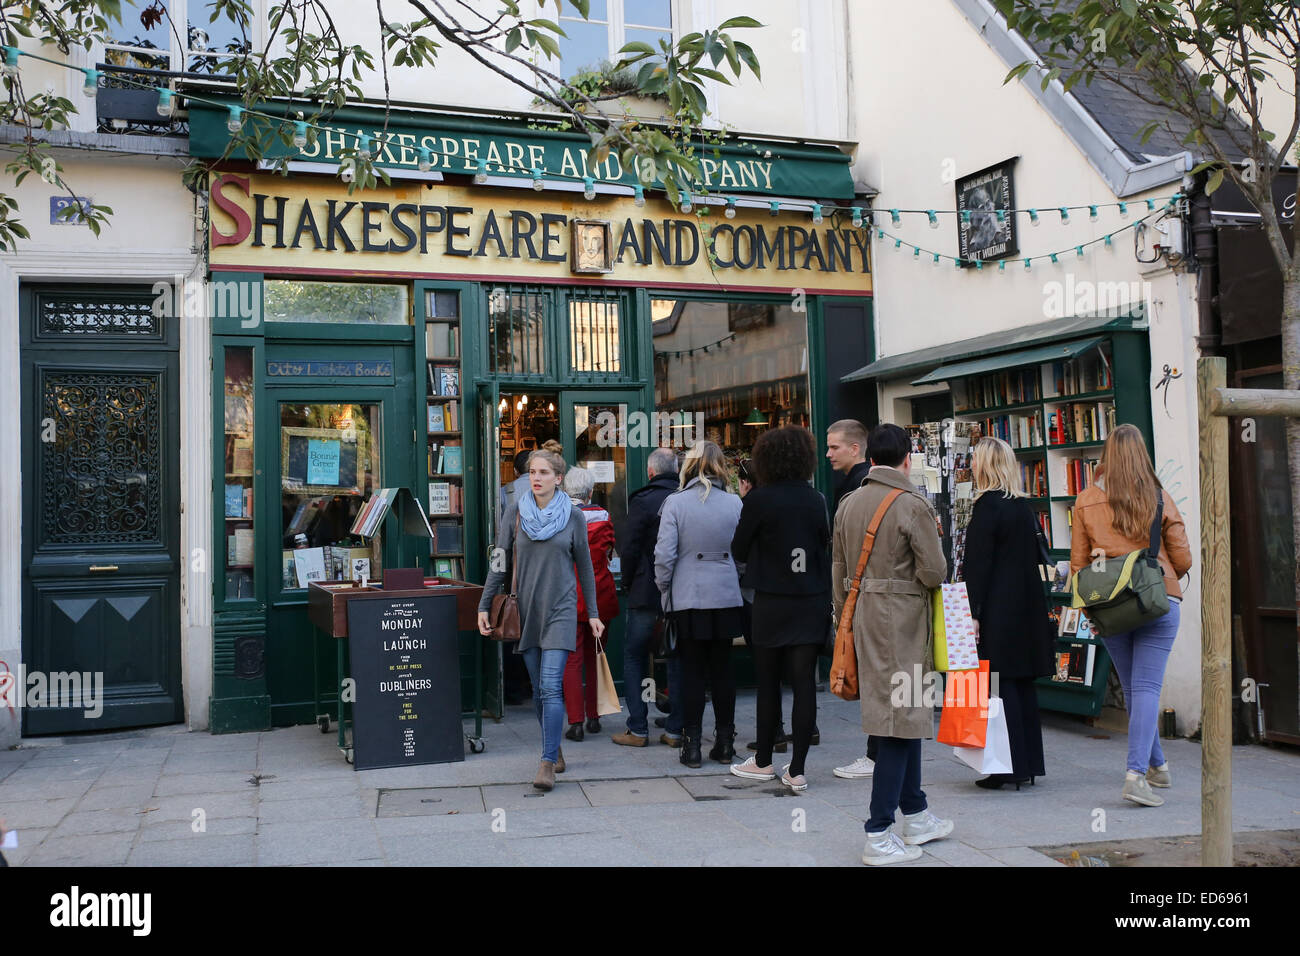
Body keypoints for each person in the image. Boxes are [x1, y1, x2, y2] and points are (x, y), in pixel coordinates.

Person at [833, 423, 951, 865]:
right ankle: (879, 830)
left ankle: (916, 813)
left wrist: (845, 617)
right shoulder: (910, 503)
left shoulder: (848, 503)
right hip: (902, 623)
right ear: (906, 458)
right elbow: (935, 571)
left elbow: (838, 571)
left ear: (870, 457)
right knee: (897, 723)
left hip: (863, 616)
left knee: (906, 716)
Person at [1069, 424, 1192, 808]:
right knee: (1146, 689)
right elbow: (1183, 556)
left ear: (1106, 456)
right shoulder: (1157, 496)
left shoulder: (1086, 499)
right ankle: (1136, 775)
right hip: (1157, 601)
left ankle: (1158, 766)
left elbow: (1078, 565)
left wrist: (1090, 607)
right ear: (1141, 455)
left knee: (1136, 687)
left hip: (1110, 606)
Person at [478, 449, 603, 792]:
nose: (536, 477)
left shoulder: (574, 517)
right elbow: (500, 560)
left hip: (561, 609)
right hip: (527, 611)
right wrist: (484, 604)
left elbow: (586, 569)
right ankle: (554, 746)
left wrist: (592, 613)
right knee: (538, 691)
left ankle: (546, 762)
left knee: (550, 685)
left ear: (558, 478)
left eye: (544, 472)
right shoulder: (516, 512)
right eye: (533, 471)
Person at [729, 427, 832, 792]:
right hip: (810, 599)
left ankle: (763, 760)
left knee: (768, 683)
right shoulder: (816, 499)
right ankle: (798, 769)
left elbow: (738, 550)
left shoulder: (759, 499)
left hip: (772, 600)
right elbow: (823, 545)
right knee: (803, 683)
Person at [960, 436, 1056, 789]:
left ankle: (1004, 766)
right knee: (1021, 685)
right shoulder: (1021, 507)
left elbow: (977, 566)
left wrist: (973, 613)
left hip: (998, 608)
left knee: (998, 687)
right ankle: (1028, 763)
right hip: (1026, 608)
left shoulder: (987, 507)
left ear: (983, 465)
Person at [654, 440, 744, 768]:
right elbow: (742, 554)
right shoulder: (734, 504)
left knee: (691, 672)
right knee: (723, 671)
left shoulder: (675, 504)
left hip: (688, 597)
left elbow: (664, 556)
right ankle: (724, 742)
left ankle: (691, 744)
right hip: (724, 594)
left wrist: (665, 590)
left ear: (687, 466)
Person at [612, 448, 684, 748]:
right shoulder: (685, 497)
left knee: (635, 656)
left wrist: (627, 582)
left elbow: (629, 549)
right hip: (679, 592)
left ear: (651, 472)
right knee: (677, 657)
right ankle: (676, 728)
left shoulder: (642, 500)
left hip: (644, 591)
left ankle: (638, 728)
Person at [826, 418, 878, 781]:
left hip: (865, 594)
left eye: (834, 447)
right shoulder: (853, 483)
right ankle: (879, 753)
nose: (828, 454)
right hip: (868, 593)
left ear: (855, 448)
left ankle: (877, 755)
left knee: (873, 676)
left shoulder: (857, 487)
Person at [561, 467, 619, 741]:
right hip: (600, 595)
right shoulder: (604, 518)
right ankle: (594, 716)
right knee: (596, 656)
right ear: (591, 492)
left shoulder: (559, 518)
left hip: (569, 597)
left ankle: (576, 722)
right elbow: (608, 553)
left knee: (571, 661)